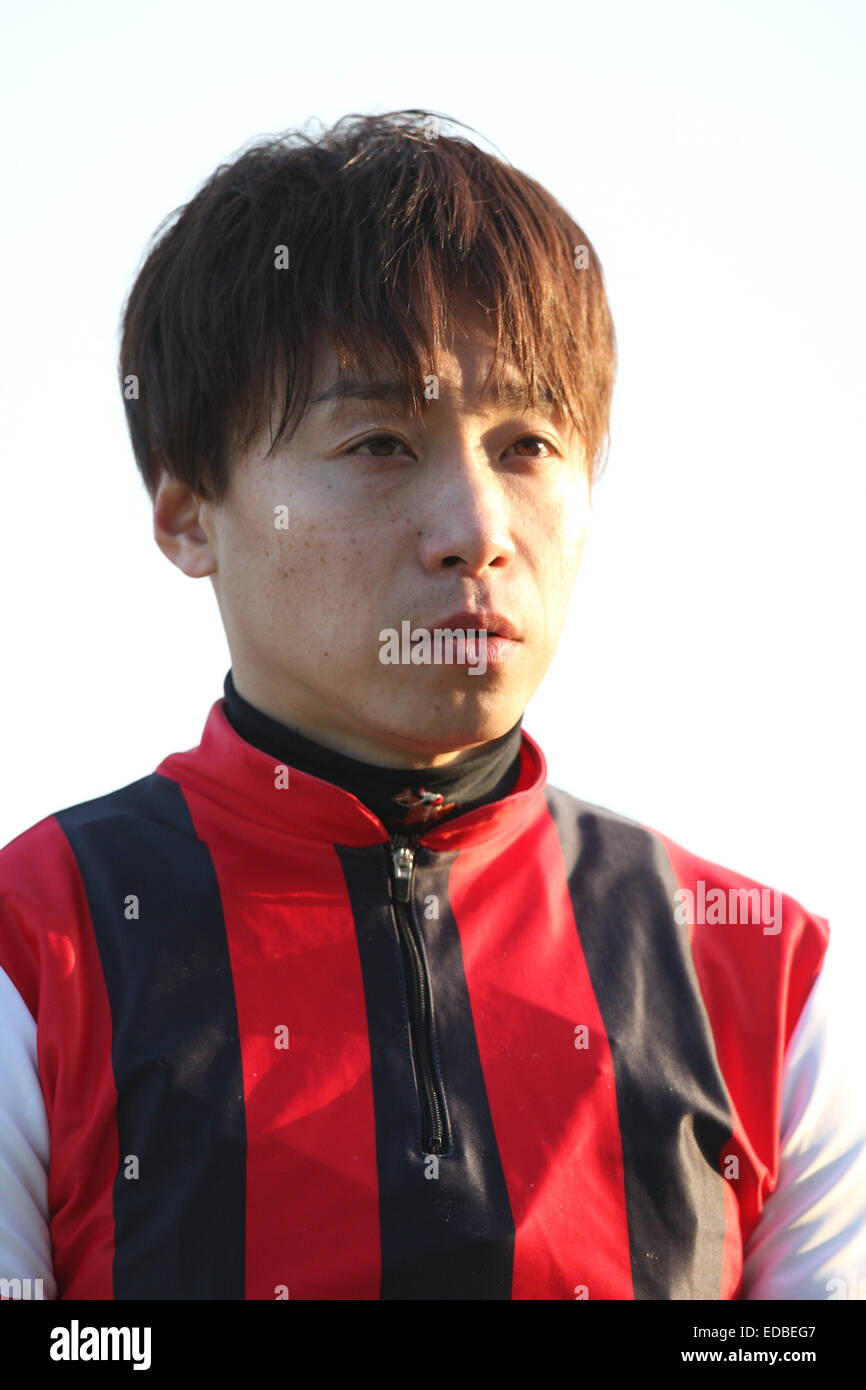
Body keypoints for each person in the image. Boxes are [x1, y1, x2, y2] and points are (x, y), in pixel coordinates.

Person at [1, 109, 863, 1301]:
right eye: (376, 444)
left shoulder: (764, 979)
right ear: (187, 512)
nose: (476, 533)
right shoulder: (33, 951)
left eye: (525, 444)